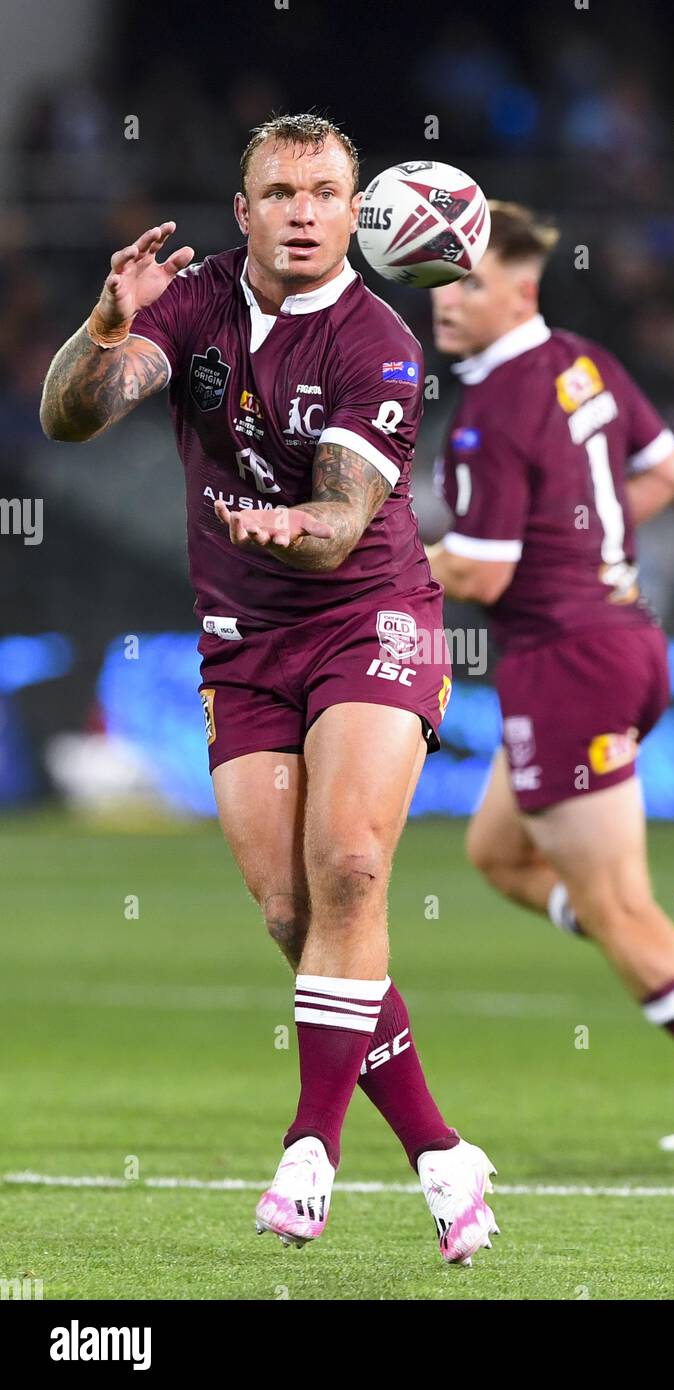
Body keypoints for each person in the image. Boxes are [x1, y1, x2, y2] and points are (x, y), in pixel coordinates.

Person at [39, 113, 498, 1263]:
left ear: (356, 214)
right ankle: (442, 1150)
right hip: (241, 642)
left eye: (325, 191)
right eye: (280, 191)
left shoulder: (378, 340)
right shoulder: (191, 308)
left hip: (368, 619)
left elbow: (342, 526)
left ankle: (310, 1147)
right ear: (241, 213)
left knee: (349, 864)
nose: (302, 210)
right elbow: (71, 415)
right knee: (296, 916)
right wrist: (106, 323)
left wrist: (289, 521)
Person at [427, 201, 674, 1151]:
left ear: (523, 292)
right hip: (621, 641)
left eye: (472, 283)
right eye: (444, 279)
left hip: (568, 664)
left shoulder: (490, 413)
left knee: (617, 904)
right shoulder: (584, 361)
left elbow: (478, 572)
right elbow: (668, 472)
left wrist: (363, 562)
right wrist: (586, 544)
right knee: (498, 856)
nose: (448, 300)